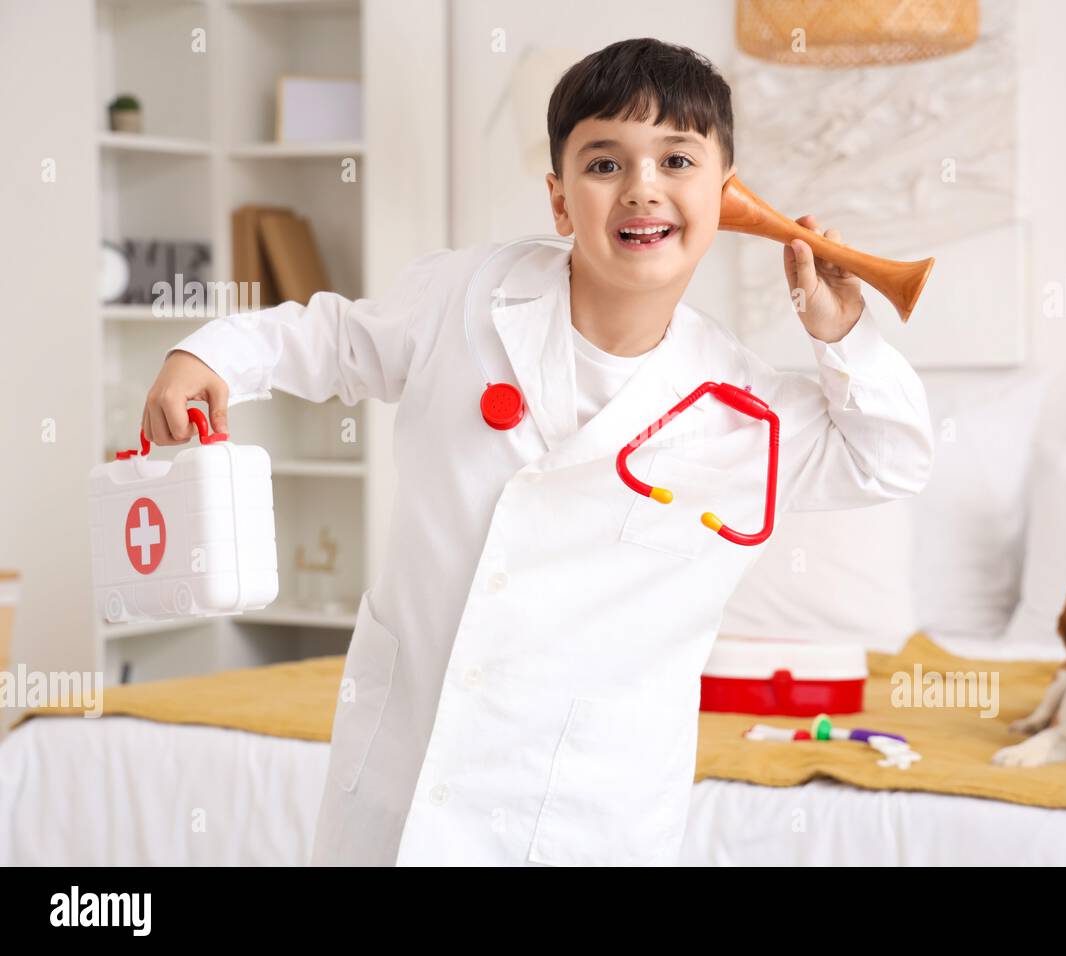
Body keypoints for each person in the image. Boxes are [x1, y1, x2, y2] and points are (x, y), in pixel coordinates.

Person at [141, 37, 934, 866]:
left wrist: (842, 331)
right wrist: (214, 355)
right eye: (603, 164)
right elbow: (335, 339)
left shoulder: (747, 412)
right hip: (406, 780)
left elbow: (894, 459)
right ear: (559, 203)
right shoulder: (468, 296)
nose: (642, 189)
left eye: (676, 159)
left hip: (589, 816)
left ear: (726, 196)